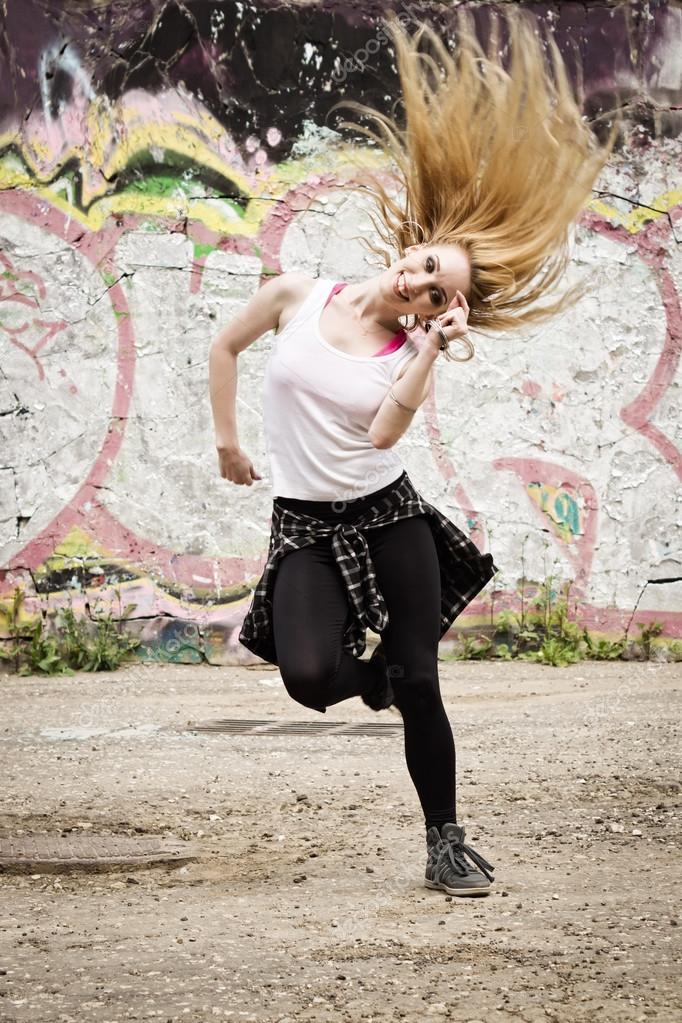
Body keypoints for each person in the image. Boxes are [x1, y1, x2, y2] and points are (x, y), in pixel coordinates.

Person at [208, 9, 617, 897]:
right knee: (311, 679)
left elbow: (383, 434)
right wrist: (229, 440)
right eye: (429, 263)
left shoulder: (409, 354)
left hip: (392, 521)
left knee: (424, 681)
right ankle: (378, 677)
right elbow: (223, 349)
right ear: (413, 242)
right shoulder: (295, 294)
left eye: (439, 291)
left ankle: (445, 841)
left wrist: (434, 343)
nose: (422, 282)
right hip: (306, 526)